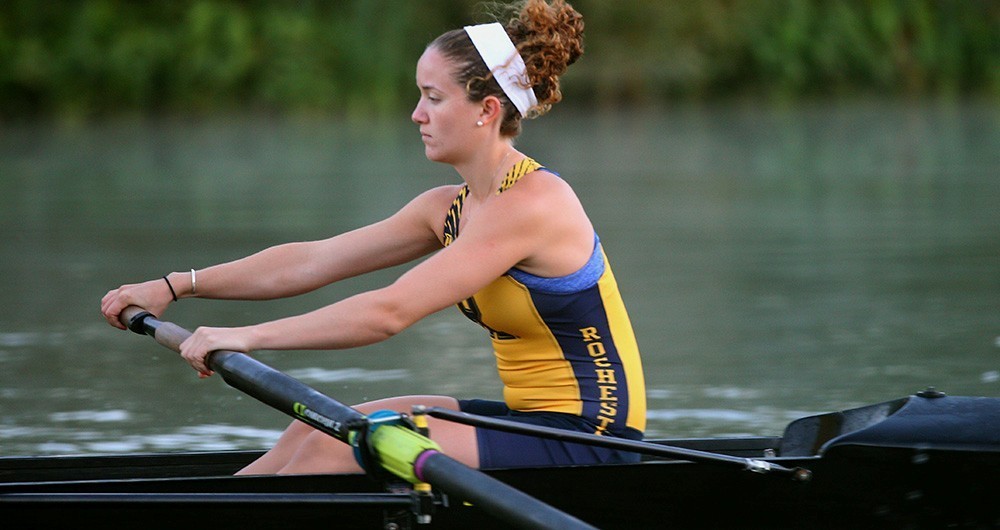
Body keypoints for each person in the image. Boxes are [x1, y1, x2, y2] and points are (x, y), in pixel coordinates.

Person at [101, 0, 645, 475]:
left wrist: (246, 338)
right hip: (530, 421)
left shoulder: (532, 205)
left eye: (432, 97)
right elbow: (312, 261)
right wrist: (175, 286)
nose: (416, 114)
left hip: (590, 438)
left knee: (333, 453)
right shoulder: (446, 209)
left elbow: (387, 312)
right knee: (315, 431)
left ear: (486, 110)